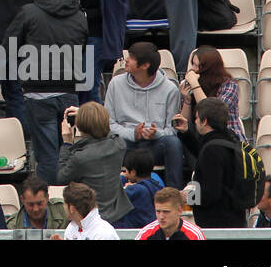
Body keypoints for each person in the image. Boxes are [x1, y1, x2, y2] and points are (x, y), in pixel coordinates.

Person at [5, 0, 91, 183]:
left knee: (46, 155)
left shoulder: (29, 12)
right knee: (68, 149)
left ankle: (51, 204)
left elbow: (8, 46)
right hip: (69, 93)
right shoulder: (80, 16)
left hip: (37, 93)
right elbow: (81, 48)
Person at [105, 41, 185, 186]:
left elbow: (172, 129)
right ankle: (108, 195)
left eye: (131, 57)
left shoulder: (170, 89)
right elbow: (109, 124)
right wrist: (133, 134)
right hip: (125, 143)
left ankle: (174, 194)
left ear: (145, 65)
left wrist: (156, 134)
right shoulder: (115, 84)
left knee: (173, 143)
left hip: (154, 145)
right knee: (108, 143)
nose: (126, 60)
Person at [173, 96, 246, 228]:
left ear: (204, 121)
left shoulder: (213, 150)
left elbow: (211, 193)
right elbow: (204, 154)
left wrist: (187, 197)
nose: (195, 122)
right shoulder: (229, 138)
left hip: (218, 224)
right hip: (234, 218)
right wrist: (186, 132)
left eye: (196, 118)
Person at [57, 101, 130, 224]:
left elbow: (62, 178)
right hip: (117, 216)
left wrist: (67, 143)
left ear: (80, 127)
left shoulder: (80, 158)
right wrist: (90, 115)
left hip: (90, 218)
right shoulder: (119, 145)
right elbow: (110, 132)